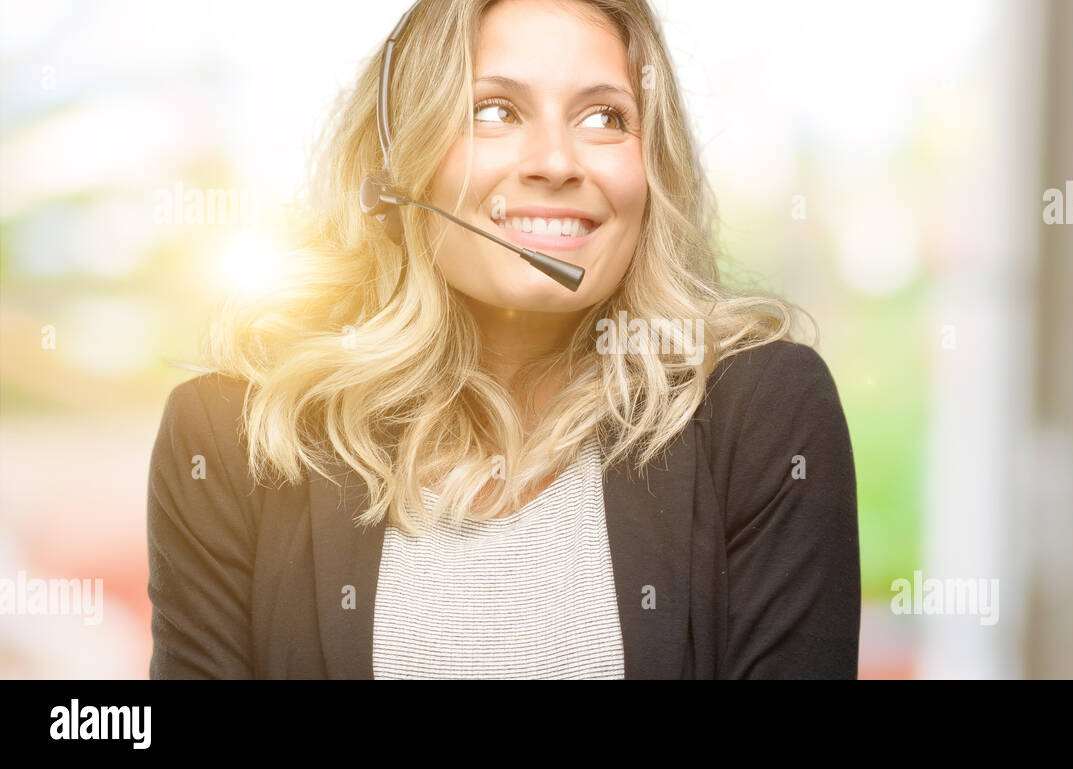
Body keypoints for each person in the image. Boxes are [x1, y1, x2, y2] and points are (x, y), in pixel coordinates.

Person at [146, 0, 860, 679]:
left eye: (606, 117)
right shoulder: (232, 439)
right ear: (399, 166)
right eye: (496, 111)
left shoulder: (764, 415)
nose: (556, 161)